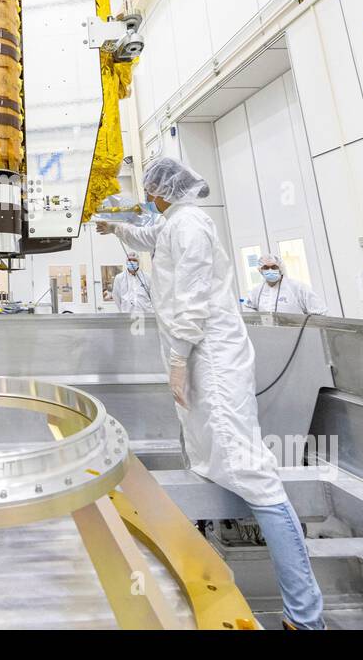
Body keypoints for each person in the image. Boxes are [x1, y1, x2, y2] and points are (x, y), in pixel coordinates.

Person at [97, 157, 325, 629]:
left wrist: (179, 357)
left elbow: (193, 297)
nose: (149, 196)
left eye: (150, 190)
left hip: (212, 360)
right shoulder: (174, 223)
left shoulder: (191, 227)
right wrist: (113, 224)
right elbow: (146, 236)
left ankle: (305, 618)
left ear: (164, 190)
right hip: (199, 356)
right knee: (212, 458)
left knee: (252, 474)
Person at [244, 253, 327, 315]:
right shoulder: (256, 292)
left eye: (273, 267)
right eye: (265, 268)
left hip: (298, 335)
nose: (270, 270)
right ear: (260, 270)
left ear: (280, 268)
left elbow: (319, 312)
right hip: (269, 335)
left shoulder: (298, 288)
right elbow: (249, 311)